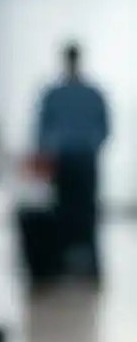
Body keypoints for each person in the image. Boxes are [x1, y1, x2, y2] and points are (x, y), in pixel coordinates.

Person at [34, 41, 110, 285]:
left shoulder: (61, 94)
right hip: (74, 160)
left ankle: (80, 268)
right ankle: (76, 268)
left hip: (75, 159)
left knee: (80, 214)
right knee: (72, 214)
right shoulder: (85, 93)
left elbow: (43, 131)